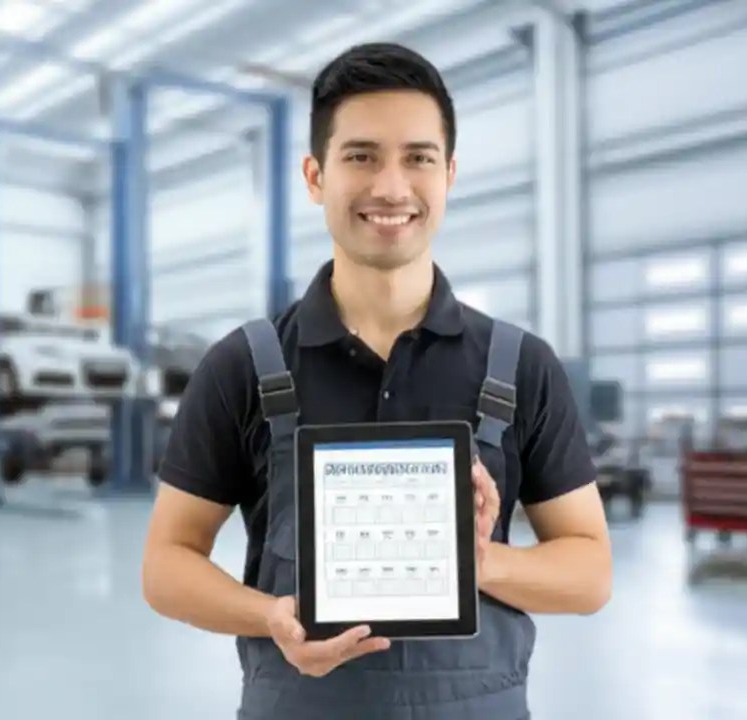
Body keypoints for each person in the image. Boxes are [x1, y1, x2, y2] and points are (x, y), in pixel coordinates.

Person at [141, 42, 612, 719]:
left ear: (448, 174)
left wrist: (477, 562)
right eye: (361, 156)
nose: (391, 187)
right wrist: (268, 615)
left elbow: (590, 574)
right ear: (314, 175)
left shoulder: (520, 366)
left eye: (418, 158)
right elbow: (166, 565)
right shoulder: (243, 365)